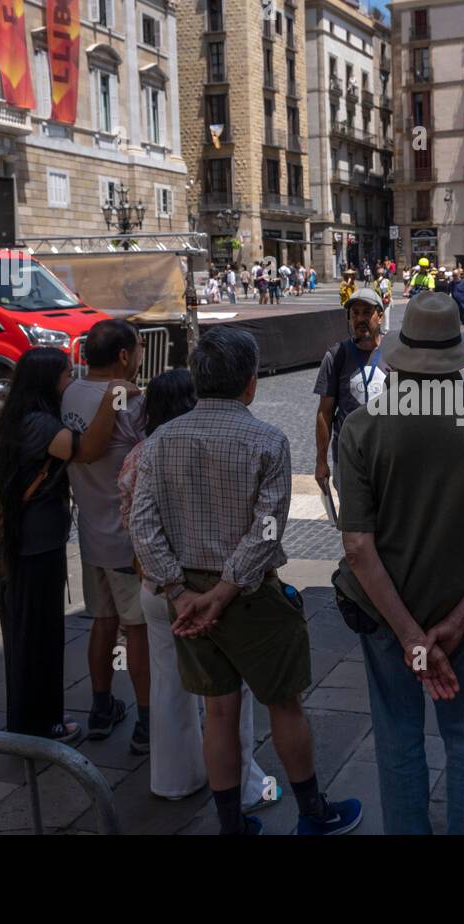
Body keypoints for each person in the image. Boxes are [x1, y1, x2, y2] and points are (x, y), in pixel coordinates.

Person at [129, 327, 362, 836]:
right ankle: (311, 812)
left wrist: (180, 592)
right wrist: (225, 590)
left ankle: (231, 825)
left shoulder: (160, 441)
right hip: (252, 594)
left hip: (186, 595)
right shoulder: (268, 441)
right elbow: (268, 527)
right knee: (283, 702)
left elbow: (142, 526)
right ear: (251, 383)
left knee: (218, 710)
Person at [334, 292, 464, 833]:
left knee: (398, 743)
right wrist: (454, 624)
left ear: (402, 354)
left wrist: (410, 637)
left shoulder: (362, 428)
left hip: (385, 618)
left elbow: (357, 546)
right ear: (459, 356)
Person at [118, 369, 275, 807]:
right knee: (230, 694)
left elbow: (133, 524)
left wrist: (169, 584)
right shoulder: (218, 445)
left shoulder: (139, 455)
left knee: (168, 685)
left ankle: (173, 779)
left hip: (157, 587)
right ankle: (242, 784)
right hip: (214, 587)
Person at [0, 348, 134, 742]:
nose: (71, 382)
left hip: (26, 539)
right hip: (36, 542)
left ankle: (25, 720)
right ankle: (44, 725)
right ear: (47, 381)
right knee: (40, 637)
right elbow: (88, 450)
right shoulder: (39, 424)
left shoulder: (19, 417)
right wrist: (109, 398)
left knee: (26, 634)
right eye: (66, 376)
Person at [61, 320, 151, 754]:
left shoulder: (71, 394)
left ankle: (100, 707)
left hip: (90, 533)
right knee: (138, 630)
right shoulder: (129, 402)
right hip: (125, 538)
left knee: (102, 620)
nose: (140, 354)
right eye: (137, 347)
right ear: (122, 356)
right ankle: (148, 722)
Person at [314, 288, 389, 499]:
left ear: (380, 316)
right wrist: (321, 461)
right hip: (348, 459)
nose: (360, 319)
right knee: (353, 526)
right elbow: (325, 413)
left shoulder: (395, 353)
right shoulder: (336, 356)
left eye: (367, 312)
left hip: (387, 458)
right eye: (354, 314)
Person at [376, 265, 393, 334]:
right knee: (379, 315)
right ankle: (378, 328)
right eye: (379, 274)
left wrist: (388, 294)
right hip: (379, 301)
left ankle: (386, 329)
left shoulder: (387, 281)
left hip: (386, 300)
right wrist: (378, 283)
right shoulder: (375, 282)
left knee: (386, 314)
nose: (380, 275)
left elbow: (390, 290)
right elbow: (375, 291)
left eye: (382, 274)